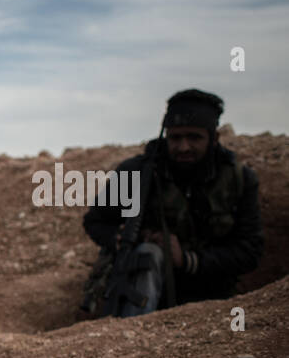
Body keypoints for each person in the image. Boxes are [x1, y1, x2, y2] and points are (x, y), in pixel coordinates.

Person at [82, 89, 263, 317]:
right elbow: (95, 222)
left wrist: (188, 260)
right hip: (146, 289)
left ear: (214, 138)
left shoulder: (239, 179)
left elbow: (250, 251)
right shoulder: (137, 172)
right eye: (175, 138)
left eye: (194, 137)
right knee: (148, 254)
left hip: (212, 295)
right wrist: (120, 238)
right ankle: (130, 332)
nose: (183, 147)